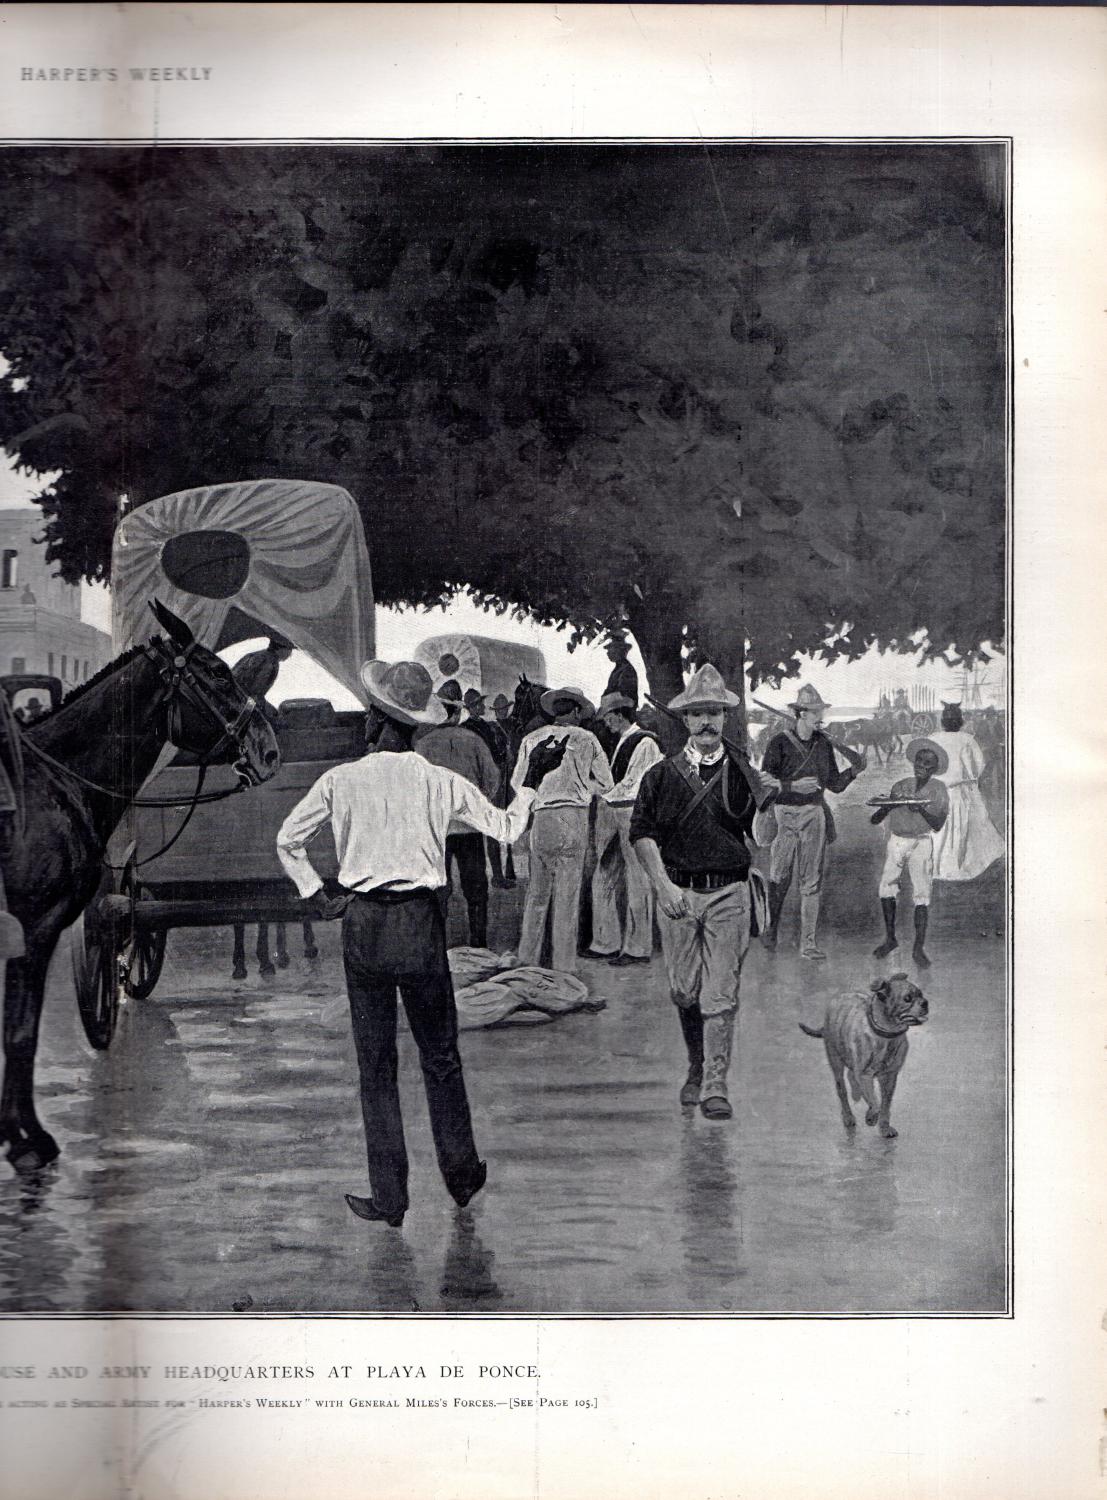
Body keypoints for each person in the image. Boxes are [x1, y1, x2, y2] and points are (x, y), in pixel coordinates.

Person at [275, 658, 566, 1229]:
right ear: (414, 725)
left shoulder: (340, 780)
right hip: (420, 925)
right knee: (440, 1055)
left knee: (376, 1065)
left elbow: (289, 840)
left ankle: (390, 1199)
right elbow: (508, 828)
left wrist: (318, 894)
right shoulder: (440, 782)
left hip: (363, 926)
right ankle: (461, 1177)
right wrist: (531, 779)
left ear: (375, 721)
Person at [630, 664, 771, 1120]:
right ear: (686, 720)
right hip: (678, 893)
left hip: (730, 893)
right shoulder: (659, 776)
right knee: (684, 990)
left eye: (714, 712)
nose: (707, 721)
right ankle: (695, 1064)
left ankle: (713, 1083)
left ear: (725, 718)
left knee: (720, 994)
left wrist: (767, 801)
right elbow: (642, 835)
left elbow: (762, 838)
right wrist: (663, 886)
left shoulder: (742, 772)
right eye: (698, 713)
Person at [759, 683, 866, 961]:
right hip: (784, 815)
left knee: (811, 882)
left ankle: (808, 944)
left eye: (820, 711)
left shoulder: (823, 744)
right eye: (815, 712)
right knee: (778, 876)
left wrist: (854, 771)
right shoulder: (778, 742)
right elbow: (765, 783)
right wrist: (792, 786)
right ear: (801, 714)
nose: (820, 717)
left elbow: (835, 784)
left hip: (814, 815)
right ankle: (771, 930)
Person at [512, 686, 613, 974]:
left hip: (542, 817)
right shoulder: (587, 738)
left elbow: (518, 783)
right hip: (573, 817)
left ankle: (527, 961)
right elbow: (606, 784)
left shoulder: (532, 739)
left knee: (537, 894)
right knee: (567, 898)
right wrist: (582, 788)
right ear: (577, 711)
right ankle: (563, 968)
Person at [414, 681, 501, 948]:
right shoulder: (473, 741)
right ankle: (478, 943)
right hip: (468, 826)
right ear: (457, 713)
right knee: (476, 888)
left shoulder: (422, 745)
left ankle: (438, 944)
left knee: (437, 888)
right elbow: (492, 779)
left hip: (437, 829)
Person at [587, 692, 663, 966]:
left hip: (633, 813)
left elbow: (635, 784)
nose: (606, 723)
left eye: (609, 717)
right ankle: (605, 942)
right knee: (604, 874)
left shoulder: (645, 742)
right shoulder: (622, 741)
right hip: (614, 812)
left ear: (620, 715)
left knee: (637, 877)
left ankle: (638, 947)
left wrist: (599, 791)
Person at [869, 738, 950, 969]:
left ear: (935, 768)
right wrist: (888, 805)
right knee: (887, 887)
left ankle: (918, 948)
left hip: (922, 842)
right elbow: (875, 819)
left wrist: (921, 809)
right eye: (919, 761)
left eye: (927, 763)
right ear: (913, 762)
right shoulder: (900, 785)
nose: (921, 766)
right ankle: (890, 939)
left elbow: (937, 824)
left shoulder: (939, 789)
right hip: (897, 840)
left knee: (921, 893)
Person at [928, 702, 1005, 880]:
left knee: (938, 829)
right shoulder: (967, 739)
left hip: (937, 791)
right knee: (964, 827)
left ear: (943, 721)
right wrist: (970, 778)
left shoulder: (933, 738)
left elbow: (926, 764)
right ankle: (959, 865)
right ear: (960, 721)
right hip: (960, 791)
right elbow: (979, 765)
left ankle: (936, 865)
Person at [463, 687, 516, 890]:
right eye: (479, 704)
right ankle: (495, 875)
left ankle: (495, 875)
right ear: (473, 707)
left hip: (488, 778)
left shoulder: (483, 726)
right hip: (484, 781)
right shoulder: (474, 728)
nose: (483, 706)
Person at [231, 635, 294, 721]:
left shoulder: (255, 654)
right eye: (290, 650)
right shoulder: (272, 663)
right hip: (240, 701)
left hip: (232, 693)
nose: (290, 655)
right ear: (281, 649)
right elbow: (255, 692)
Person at [603, 633, 639, 708]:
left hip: (621, 712)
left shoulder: (627, 670)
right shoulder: (617, 669)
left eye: (610, 648)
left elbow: (626, 698)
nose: (608, 652)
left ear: (619, 650)